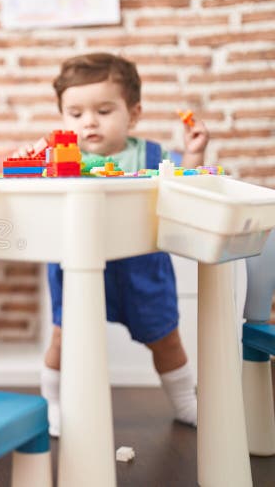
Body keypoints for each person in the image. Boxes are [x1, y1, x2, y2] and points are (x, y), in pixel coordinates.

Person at [24, 52, 209, 437]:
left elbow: (185, 186)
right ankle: (52, 405)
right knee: (62, 338)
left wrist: (193, 153)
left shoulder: (151, 155)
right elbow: (28, 188)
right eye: (75, 114)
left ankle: (185, 403)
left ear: (134, 113)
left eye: (104, 110)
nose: (89, 121)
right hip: (75, 264)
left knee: (166, 338)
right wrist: (30, 161)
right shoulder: (59, 157)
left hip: (142, 266)